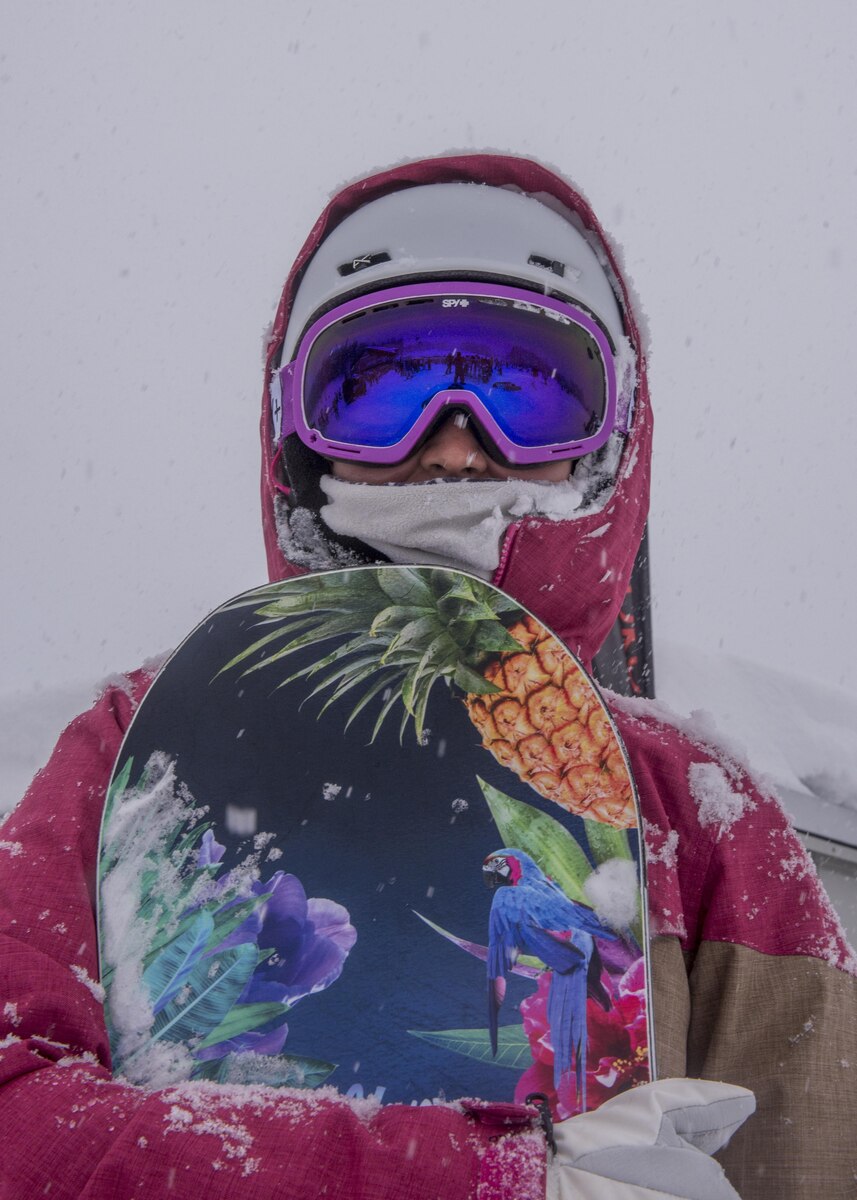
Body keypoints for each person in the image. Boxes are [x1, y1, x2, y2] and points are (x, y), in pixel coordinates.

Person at [0, 153, 854, 1200]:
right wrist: (474, 1183)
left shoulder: (704, 811)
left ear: (609, 440)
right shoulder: (141, 740)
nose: (452, 451)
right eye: (378, 390)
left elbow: (817, 1151)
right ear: (298, 438)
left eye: (528, 394)